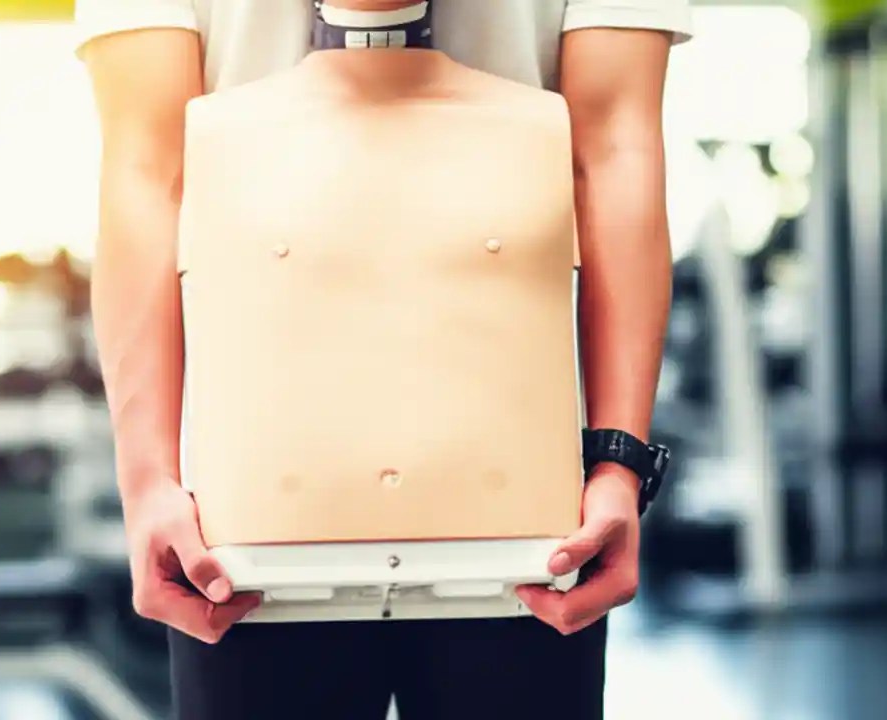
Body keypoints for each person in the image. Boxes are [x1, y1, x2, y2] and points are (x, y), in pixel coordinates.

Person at [77, 1, 690, 717]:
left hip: (519, 501)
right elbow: (149, 171)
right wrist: (147, 480)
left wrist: (617, 464)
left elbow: (613, 148)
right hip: (250, 511)